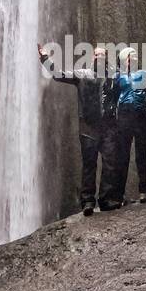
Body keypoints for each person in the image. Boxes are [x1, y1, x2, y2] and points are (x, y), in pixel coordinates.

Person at [38, 44, 118, 215]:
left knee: (110, 164)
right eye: (96, 55)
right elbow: (58, 74)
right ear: (92, 58)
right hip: (88, 126)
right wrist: (45, 58)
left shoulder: (113, 77)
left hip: (108, 127)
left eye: (102, 55)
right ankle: (88, 201)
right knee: (89, 165)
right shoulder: (82, 74)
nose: (99, 57)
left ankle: (106, 199)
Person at [103, 46, 146, 206]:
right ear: (124, 60)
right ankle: (118, 195)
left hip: (141, 113)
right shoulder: (118, 76)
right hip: (124, 114)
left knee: (142, 153)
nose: (133, 59)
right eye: (130, 57)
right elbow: (110, 96)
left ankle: (144, 191)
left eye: (135, 57)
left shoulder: (143, 74)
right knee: (122, 155)